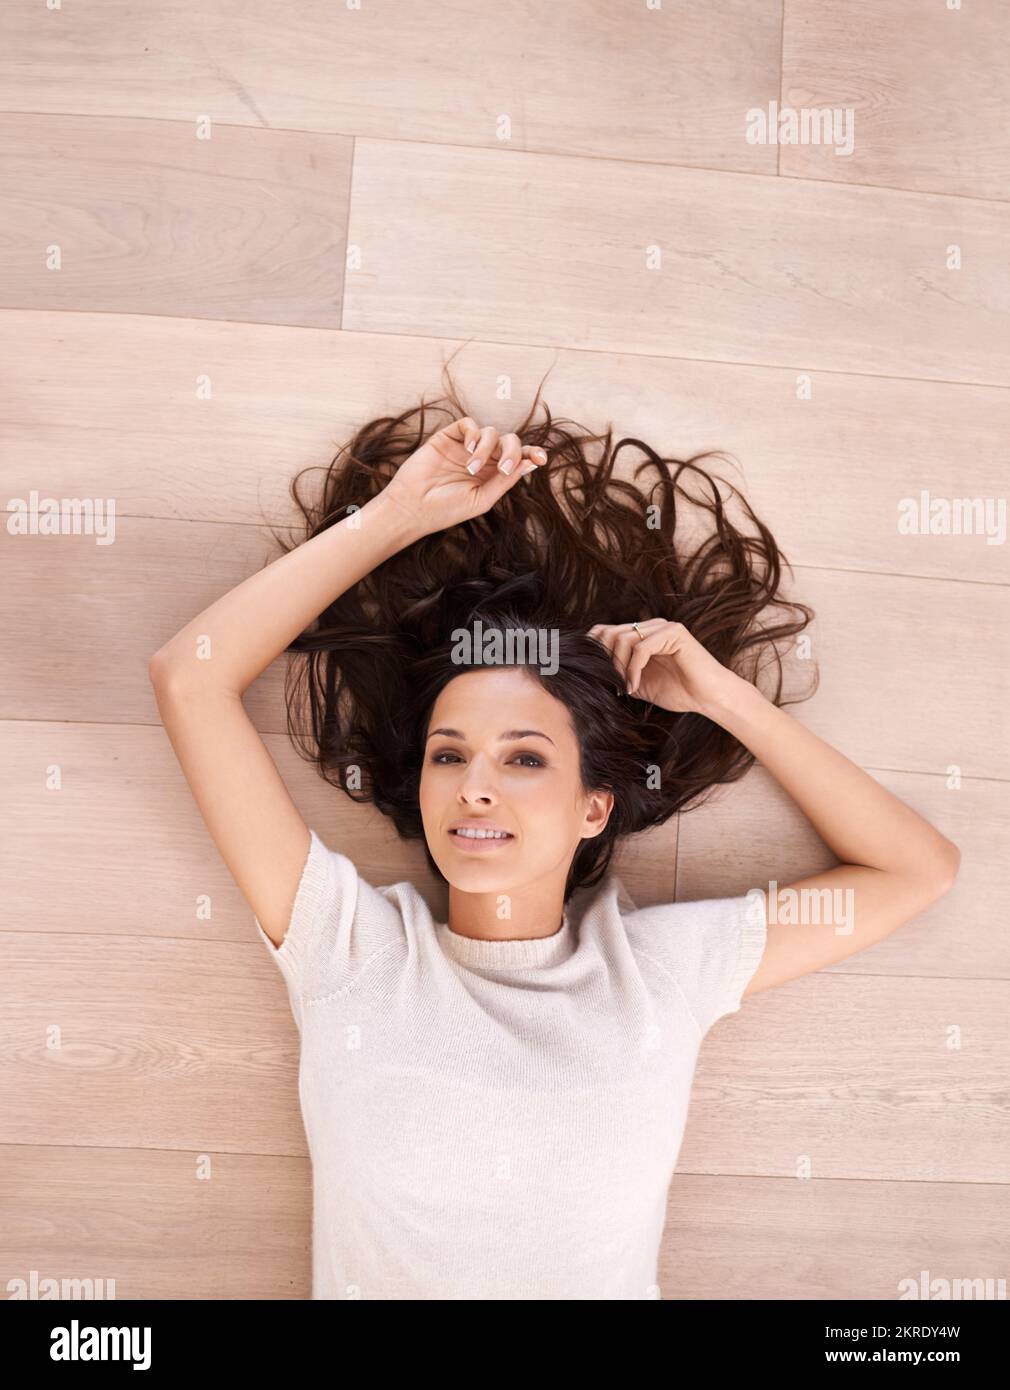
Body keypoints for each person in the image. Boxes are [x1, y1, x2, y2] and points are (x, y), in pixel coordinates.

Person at [149, 376, 959, 1300]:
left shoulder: (655, 972)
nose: (476, 785)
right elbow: (189, 679)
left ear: (595, 808)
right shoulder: (351, 952)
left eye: (525, 760)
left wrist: (723, 700)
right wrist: (395, 517)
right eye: (449, 757)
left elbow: (917, 868)